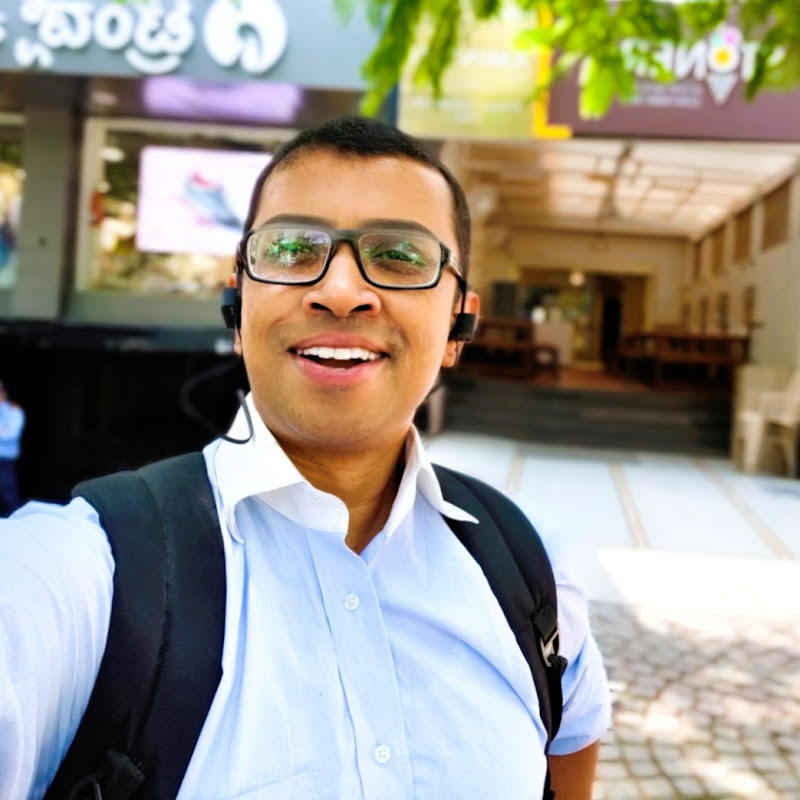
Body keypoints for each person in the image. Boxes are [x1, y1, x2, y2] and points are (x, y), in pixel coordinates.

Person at [0, 117, 610, 800]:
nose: (341, 291)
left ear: (458, 327)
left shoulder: (529, 568)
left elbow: (573, 733)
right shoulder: (88, 574)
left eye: (399, 255)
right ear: (238, 303)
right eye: (291, 249)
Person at [0, 379, 24, 516]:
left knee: (8, 497)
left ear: (4, 393)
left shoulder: (14, 411)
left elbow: (10, 434)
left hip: (4, 462)